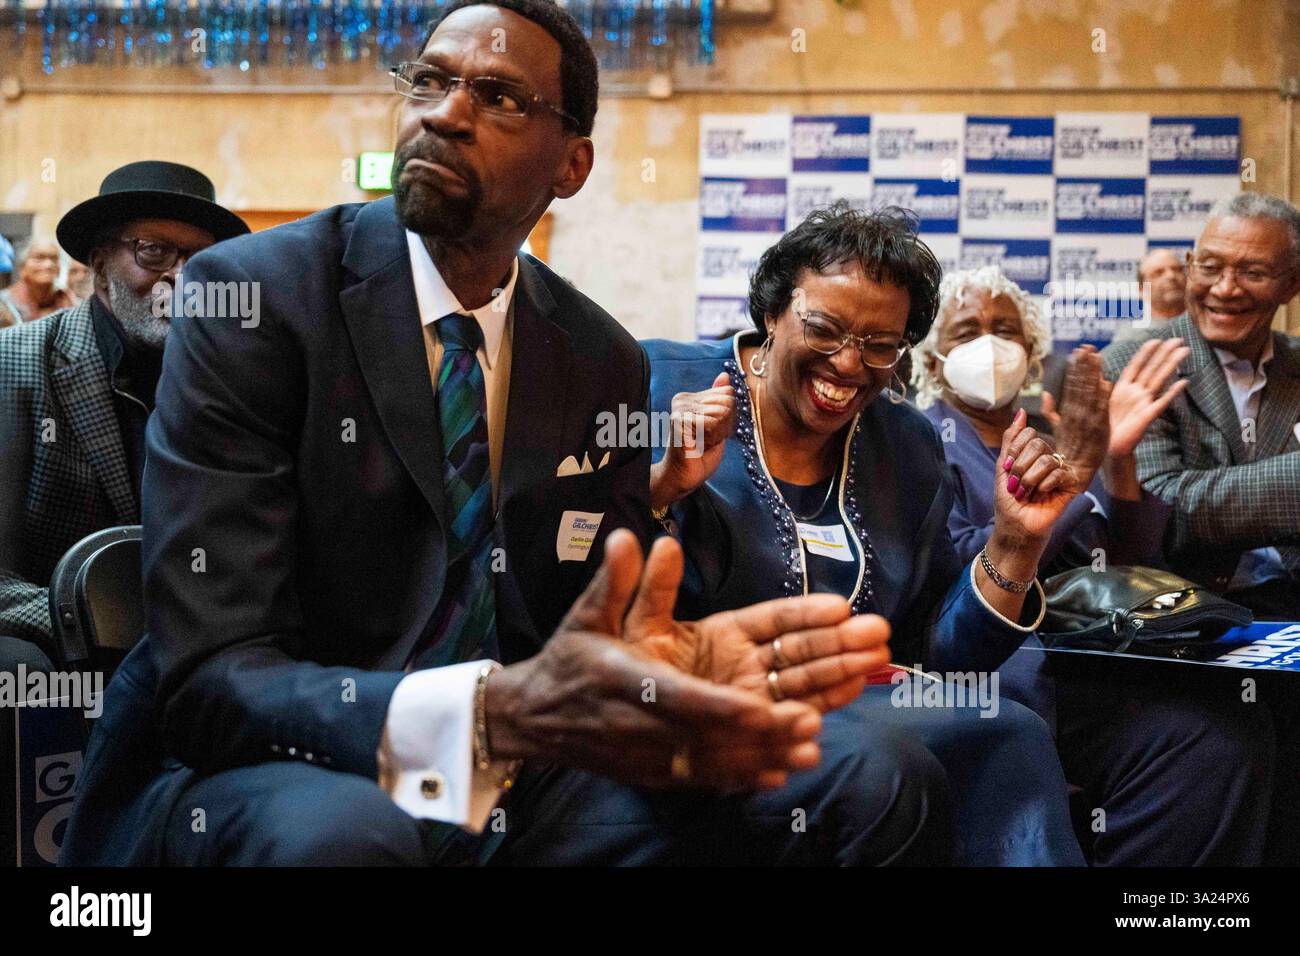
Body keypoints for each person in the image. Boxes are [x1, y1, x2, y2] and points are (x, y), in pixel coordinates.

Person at [63, 1, 947, 868]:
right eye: (431, 80)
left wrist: (657, 670)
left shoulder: (598, 355)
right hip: (282, 760)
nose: (446, 112)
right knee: (349, 836)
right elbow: (214, 678)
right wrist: (484, 714)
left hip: (522, 769)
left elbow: (587, 619)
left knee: (869, 770)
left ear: (571, 165)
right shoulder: (254, 299)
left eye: (500, 97)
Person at [641, 204, 1086, 865]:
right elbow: (575, 569)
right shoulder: (657, 385)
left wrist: (1016, 543)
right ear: (773, 312)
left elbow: (944, 660)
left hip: (862, 701)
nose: (849, 365)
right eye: (824, 331)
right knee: (885, 765)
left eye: (882, 345)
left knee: (1010, 729)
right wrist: (667, 484)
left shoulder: (905, 444)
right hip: (695, 699)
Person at [911, 265, 1276, 865]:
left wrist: (1118, 460)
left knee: (1240, 730)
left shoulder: (1058, 435)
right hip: (995, 679)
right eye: (966, 331)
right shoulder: (922, 444)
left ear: (1030, 352)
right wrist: (1078, 471)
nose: (988, 343)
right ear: (931, 360)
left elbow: (1130, 566)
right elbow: (961, 574)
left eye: (1004, 328)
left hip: (1089, 664)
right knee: (1206, 743)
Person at [0, 161, 249, 677]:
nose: (180, 276)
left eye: (201, 258)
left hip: (206, 649)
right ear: (99, 262)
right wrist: (97, 620)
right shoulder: (14, 363)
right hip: (61, 653)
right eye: (153, 251)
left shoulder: (240, 377)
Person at [1102, 192, 1300, 615]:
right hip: (1187, 616)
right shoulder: (1138, 363)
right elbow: (1161, 510)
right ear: (1191, 266)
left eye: (1253, 272)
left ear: (1292, 283)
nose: (1226, 288)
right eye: (1209, 268)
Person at [1108, 247, 1189, 349]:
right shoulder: (1130, 336)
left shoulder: (1206, 324)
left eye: (1178, 270)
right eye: (1158, 273)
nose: (1171, 276)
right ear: (1142, 290)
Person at [0, 239, 73, 327]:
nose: (48, 265)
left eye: (54, 259)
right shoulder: (4, 303)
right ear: (22, 268)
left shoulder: (70, 302)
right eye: (39, 258)